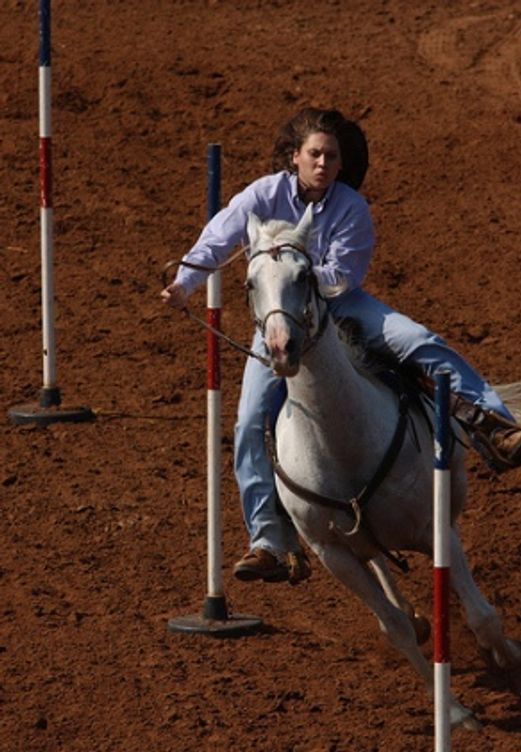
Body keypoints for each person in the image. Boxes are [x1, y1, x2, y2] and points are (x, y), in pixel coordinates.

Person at [161, 106, 521, 585]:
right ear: (295, 157)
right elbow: (217, 239)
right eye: (315, 154)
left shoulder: (351, 207)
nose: (324, 164)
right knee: (249, 419)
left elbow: (345, 276)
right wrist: (184, 284)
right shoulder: (262, 195)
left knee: (419, 341)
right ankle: (269, 540)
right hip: (282, 317)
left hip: (342, 306)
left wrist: (297, 271)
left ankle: (496, 424)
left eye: (331, 157)